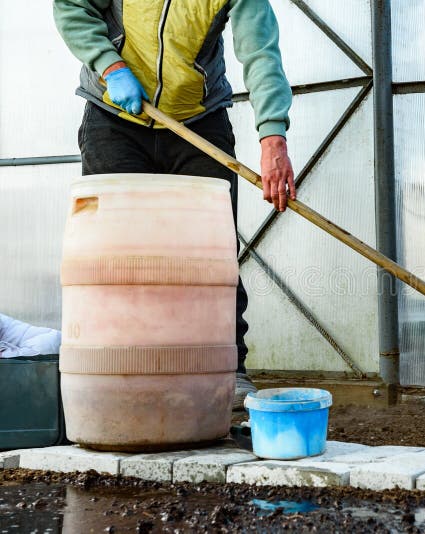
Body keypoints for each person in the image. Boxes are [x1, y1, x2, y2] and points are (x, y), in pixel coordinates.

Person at [53, 0, 296, 409]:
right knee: (117, 255)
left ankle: (226, 369)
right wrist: (110, 66)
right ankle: (118, 374)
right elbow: (72, 8)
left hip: (198, 118)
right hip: (115, 115)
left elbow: (261, 51)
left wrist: (273, 137)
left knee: (212, 254)